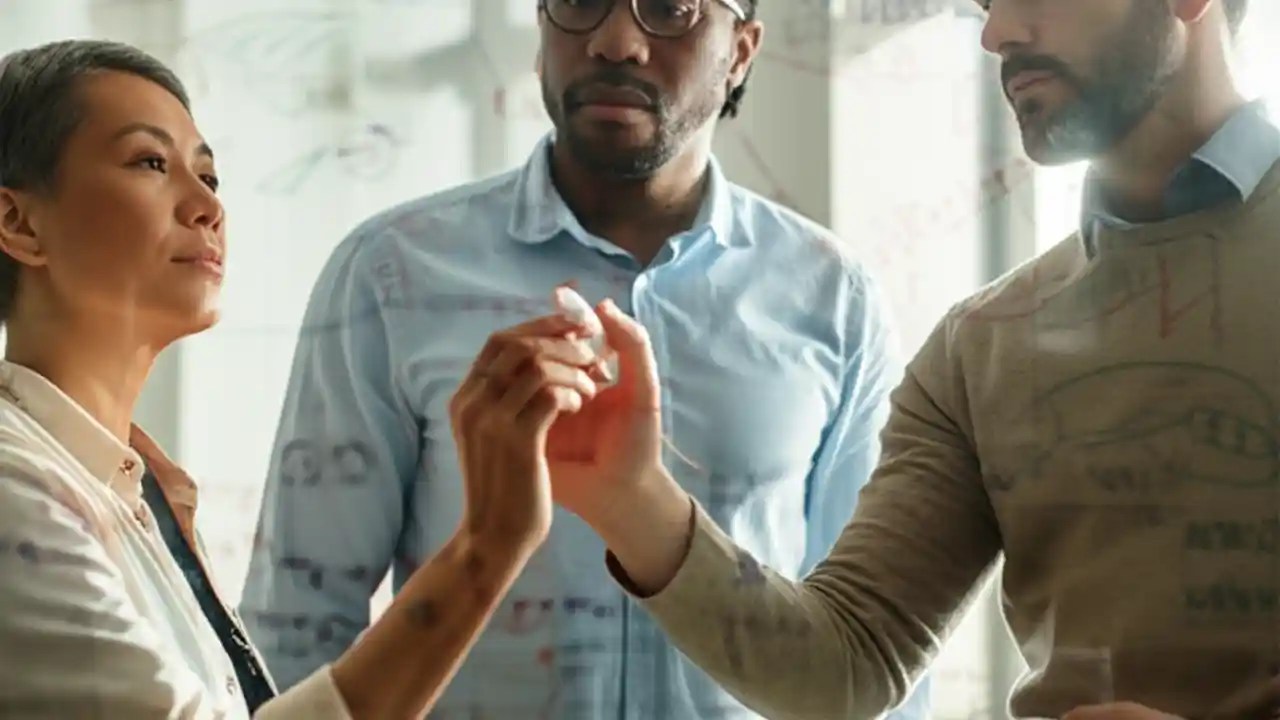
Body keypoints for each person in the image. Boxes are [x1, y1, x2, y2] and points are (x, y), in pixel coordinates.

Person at [456, 0, 1280, 718]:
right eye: (986, 0)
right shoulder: (983, 342)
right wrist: (631, 499)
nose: (995, 32)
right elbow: (848, 666)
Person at [239, 0, 930, 718]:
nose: (615, 40)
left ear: (742, 51)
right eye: (576, 2)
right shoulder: (391, 274)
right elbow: (300, 628)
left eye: (669, 8)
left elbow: (869, 651)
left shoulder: (832, 298)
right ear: (540, 32)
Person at [0, 38, 594, 719]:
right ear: (19, 222)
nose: (206, 207)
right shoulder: (16, 490)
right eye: (150, 162)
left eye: (210, 178)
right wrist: (487, 545)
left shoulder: (139, 493)